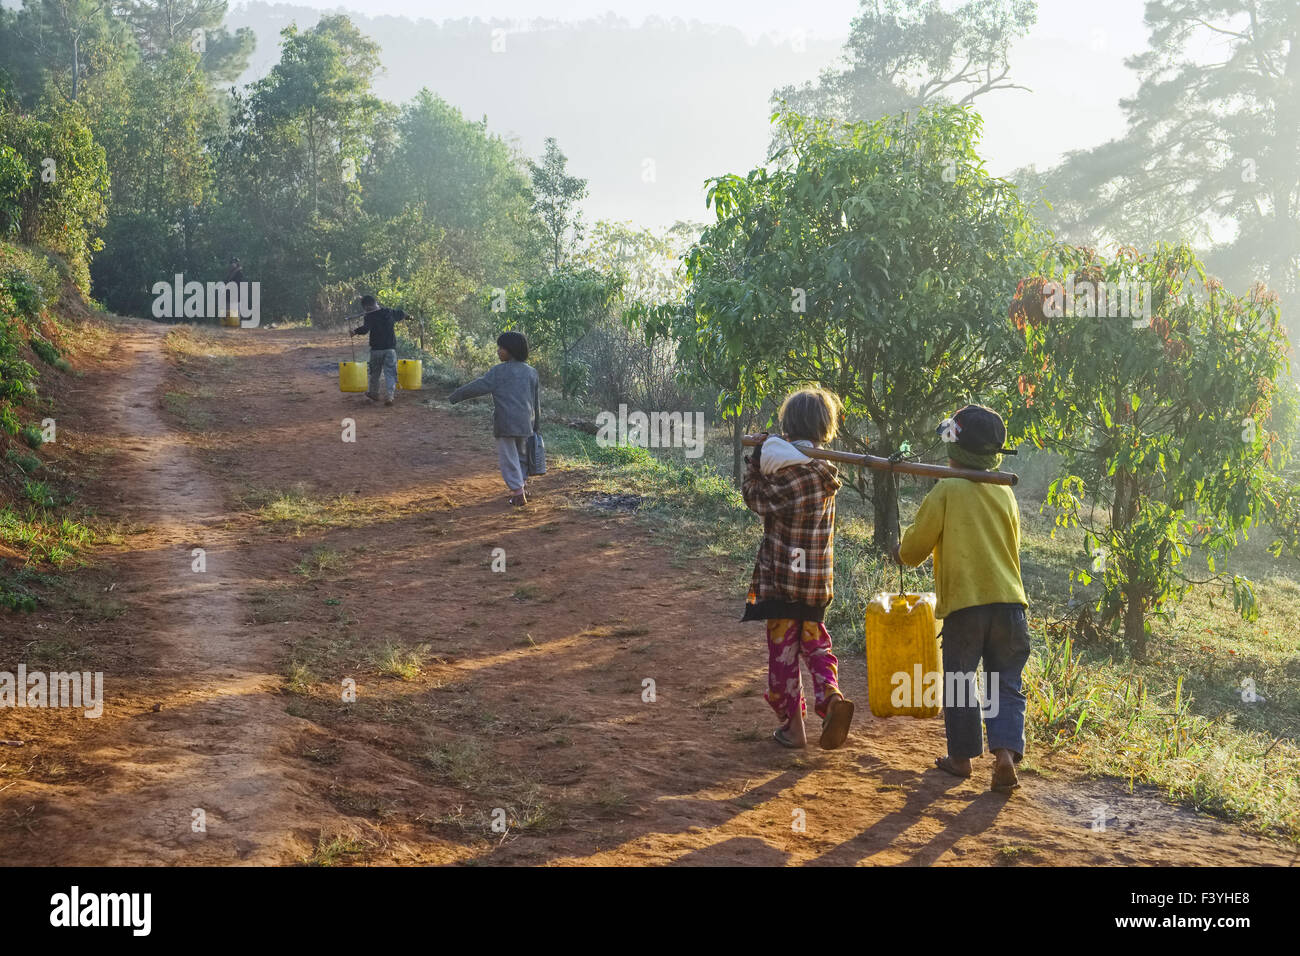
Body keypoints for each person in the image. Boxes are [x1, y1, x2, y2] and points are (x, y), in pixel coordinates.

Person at [894, 404, 1029, 793]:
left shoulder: (947, 489)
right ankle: (1004, 755)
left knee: (958, 680)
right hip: (1010, 606)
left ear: (954, 450)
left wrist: (899, 551)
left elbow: (914, 549)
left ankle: (961, 758)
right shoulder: (1005, 493)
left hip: (966, 608)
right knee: (1005, 682)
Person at [742, 387, 854, 750]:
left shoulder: (793, 476)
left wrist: (755, 462)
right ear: (826, 429)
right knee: (817, 645)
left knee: (783, 656)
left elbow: (755, 499)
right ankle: (832, 698)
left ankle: (793, 728)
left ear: (788, 428)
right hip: (816, 584)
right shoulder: (825, 473)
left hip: (783, 581)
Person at [447, 331, 540, 507]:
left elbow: (478, 387)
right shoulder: (532, 372)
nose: (498, 351)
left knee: (509, 458)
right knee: (521, 457)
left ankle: (518, 493)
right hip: (526, 422)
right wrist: (537, 425)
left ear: (510, 350)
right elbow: (536, 402)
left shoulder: (498, 372)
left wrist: (455, 396)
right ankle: (522, 486)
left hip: (505, 422)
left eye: (501, 348)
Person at [350, 295, 410, 407]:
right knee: (390, 373)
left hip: (376, 351)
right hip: (390, 350)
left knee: (374, 373)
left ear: (366, 307)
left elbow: (364, 330)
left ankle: (374, 393)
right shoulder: (389, 312)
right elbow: (402, 313)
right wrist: (408, 317)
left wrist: (354, 331)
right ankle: (389, 396)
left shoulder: (369, 317)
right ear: (376, 303)